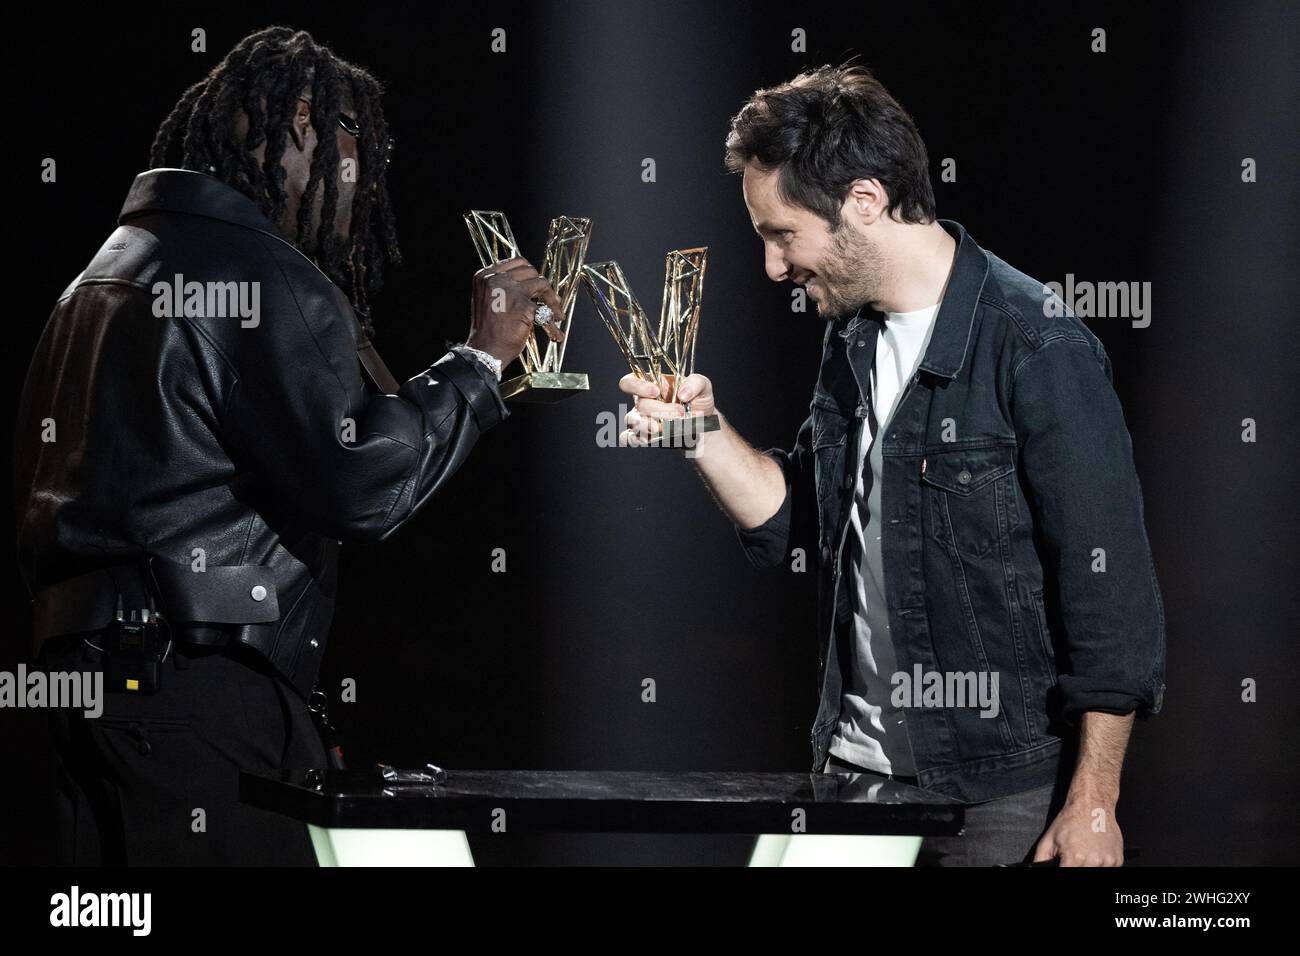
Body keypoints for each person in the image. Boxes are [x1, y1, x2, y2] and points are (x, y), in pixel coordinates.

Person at [14, 26, 560, 865]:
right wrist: (481, 360)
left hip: (78, 692)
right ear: (304, 123)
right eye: (357, 154)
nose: (360, 191)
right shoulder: (254, 272)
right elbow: (362, 485)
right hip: (194, 687)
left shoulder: (102, 274)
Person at [619, 64, 1166, 866]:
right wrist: (699, 430)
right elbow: (797, 517)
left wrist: (1093, 803)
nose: (774, 267)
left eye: (782, 235)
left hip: (997, 793)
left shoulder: (1036, 345)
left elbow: (1113, 602)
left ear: (864, 203)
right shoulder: (851, 338)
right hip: (849, 776)